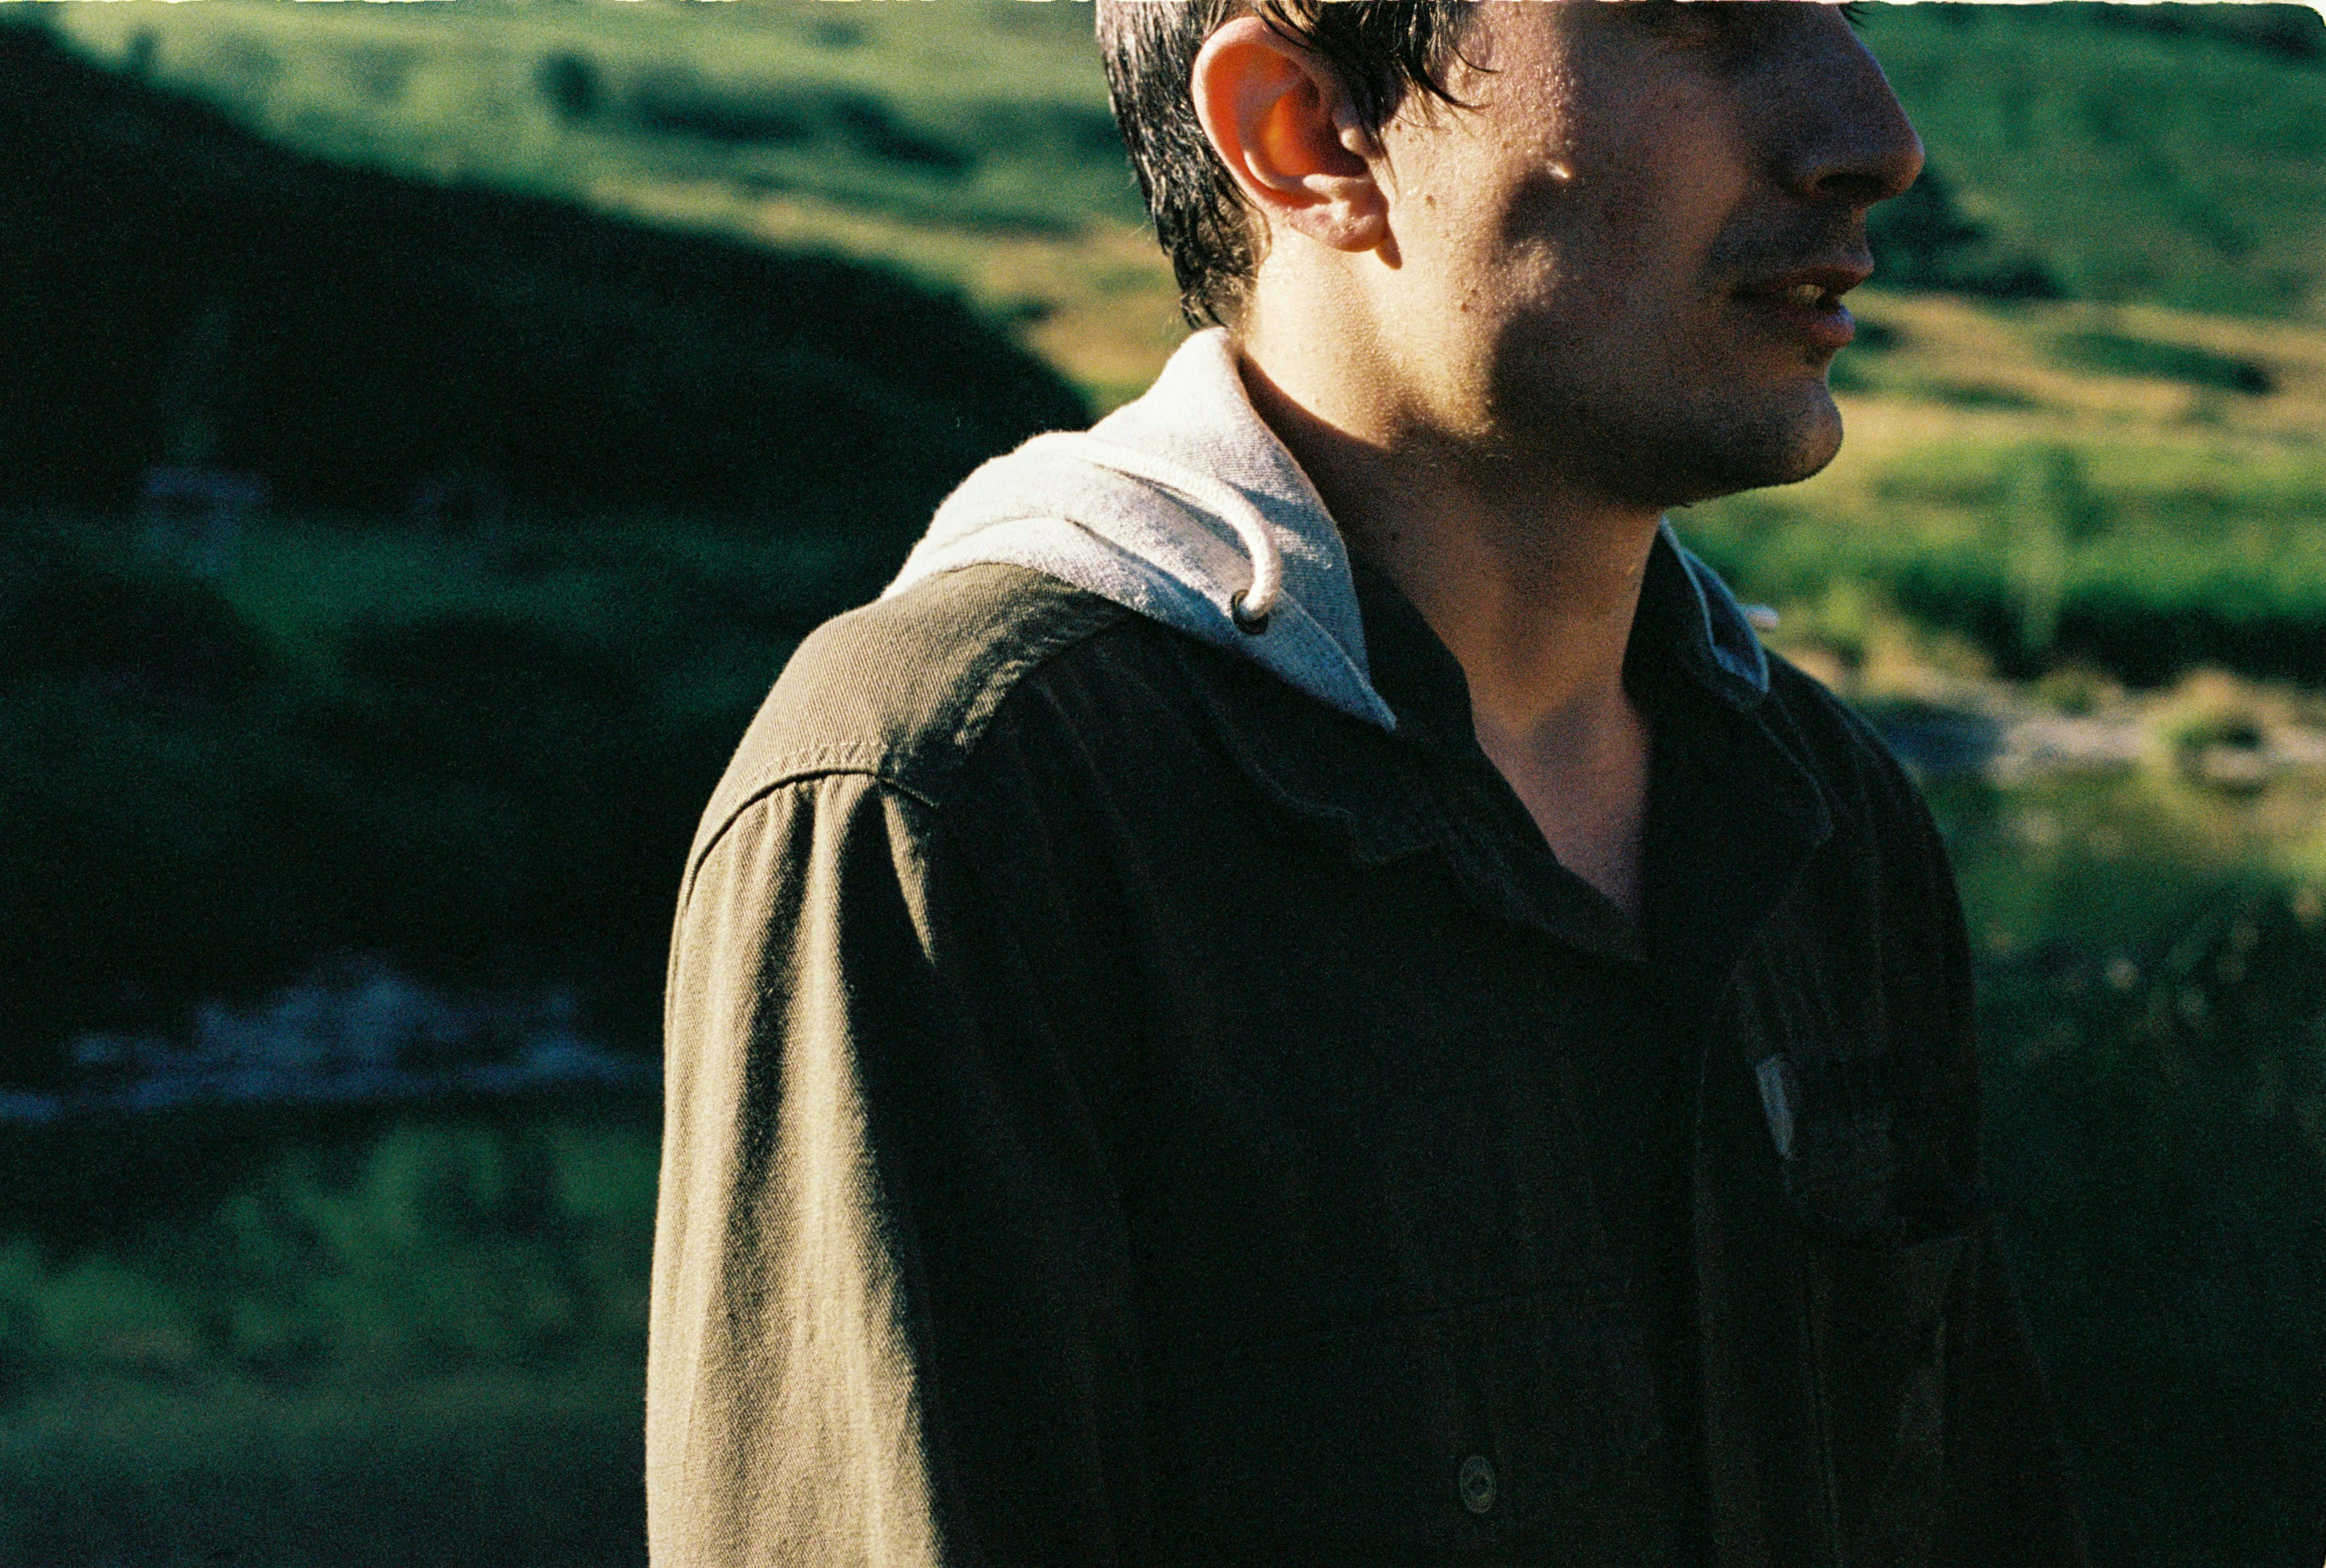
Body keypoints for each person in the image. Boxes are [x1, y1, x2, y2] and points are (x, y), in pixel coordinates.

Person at [645, 3, 2088, 1564]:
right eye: (1700, 18)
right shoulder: (954, 808)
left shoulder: (1825, 815)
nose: (1875, 139)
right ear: (1306, 131)